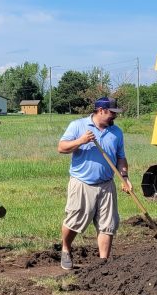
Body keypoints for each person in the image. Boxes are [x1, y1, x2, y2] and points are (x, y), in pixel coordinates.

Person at [56, 97, 132, 271]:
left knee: (108, 224)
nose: (115, 116)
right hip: (82, 182)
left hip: (107, 184)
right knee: (75, 220)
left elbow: (121, 157)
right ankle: (66, 249)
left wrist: (125, 177)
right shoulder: (78, 126)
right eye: (112, 113)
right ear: (101, 110)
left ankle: (103, 263)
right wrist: (80, 141)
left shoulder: (117, 132)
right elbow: (61, 148)